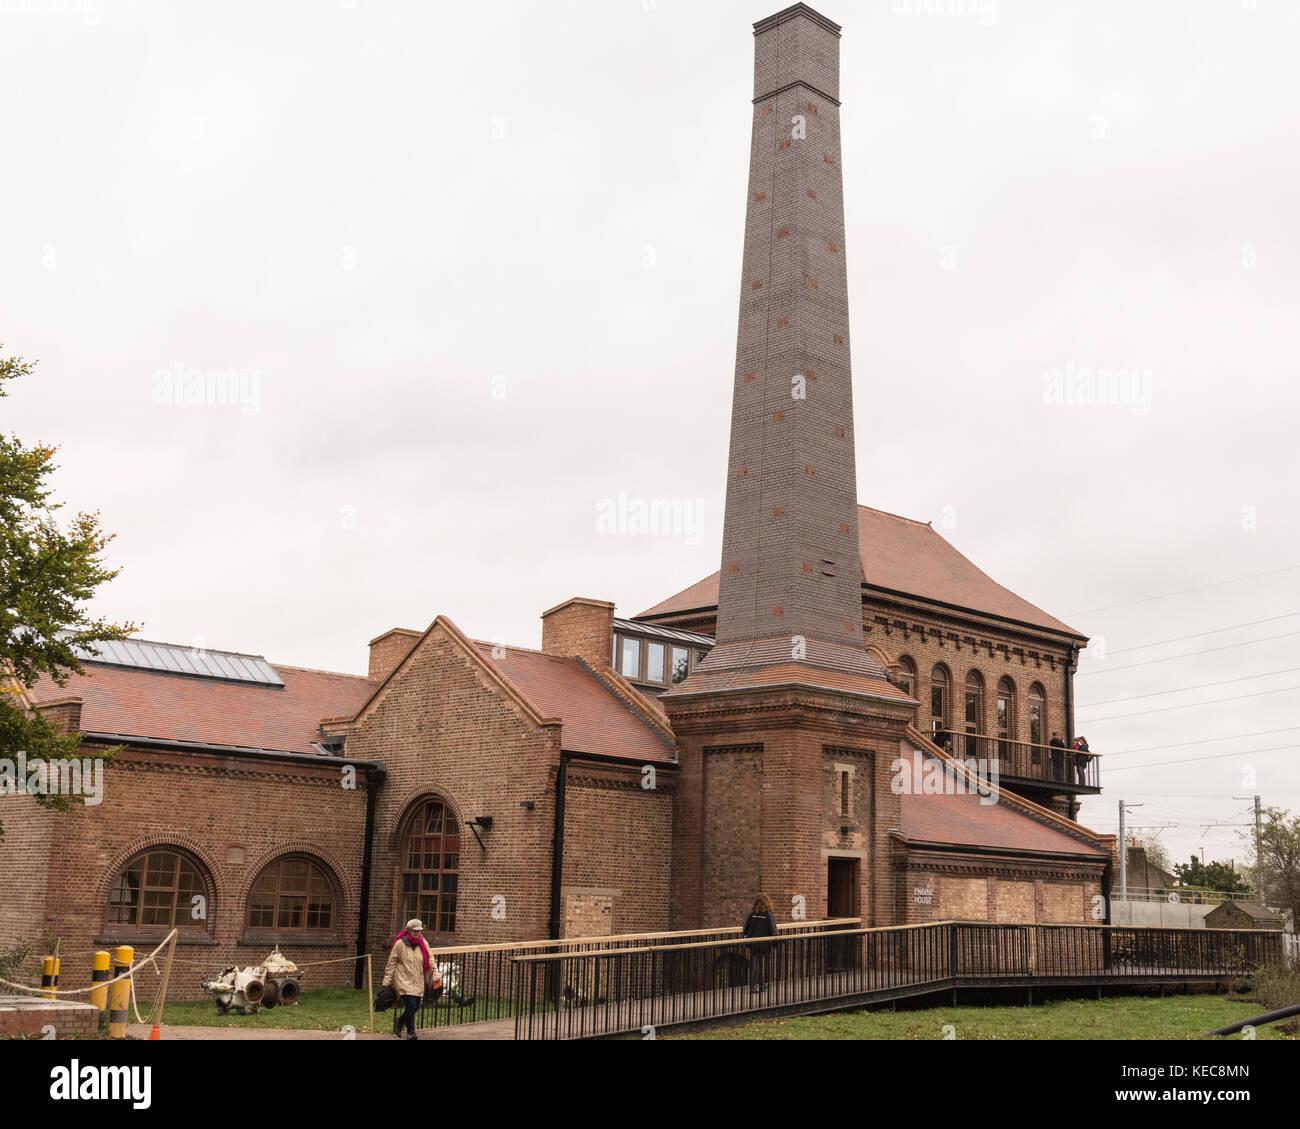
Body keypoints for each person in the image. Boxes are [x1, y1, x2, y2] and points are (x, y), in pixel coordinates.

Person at [383, 918, 436, 1040]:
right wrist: (386, 982)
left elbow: (430, 959)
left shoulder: (424, 943)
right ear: (408, 931)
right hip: (403, 978)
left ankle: (400, 1021)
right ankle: (411, 1032)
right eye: (414, 931)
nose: (417, 933)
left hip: (418, 978)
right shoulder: (400, 944)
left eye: (419, 931)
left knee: (416, 1006)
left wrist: (435, 973)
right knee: (411, 1004)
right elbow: (391, 963)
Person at [742, 894, 778, 993]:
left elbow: (745, 928)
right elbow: (772, 929)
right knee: (764, 964)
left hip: (753, 942)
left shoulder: (752, 914)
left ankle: (753, 985)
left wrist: (745, 939)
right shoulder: (768, 915)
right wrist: (775, 942)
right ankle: (763, 985)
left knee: (755, 963)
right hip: (765, 943)